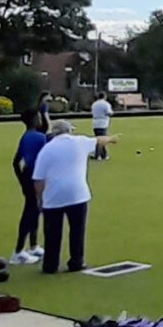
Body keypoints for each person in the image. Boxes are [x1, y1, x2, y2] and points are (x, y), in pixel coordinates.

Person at [33, 117, 117, 273]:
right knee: (77, 230)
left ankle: (50, 266)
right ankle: (77, 262)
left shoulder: (46, 150)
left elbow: (38, 179)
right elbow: (100, 140)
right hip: (78, 194)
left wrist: (40, 199)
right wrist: (111, 138)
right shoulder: (80, 141)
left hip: (54, 196)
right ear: (69, 130)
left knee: (52, 233)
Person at [10, 110, 49, 264]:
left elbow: (15, 162)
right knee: (31, 212)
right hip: (36, 176)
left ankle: (33, 246)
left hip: (28, 175)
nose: (41, 119)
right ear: (33, 120)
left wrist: (22, 181)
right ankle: (18, 251)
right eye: (38, 117)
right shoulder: (40, 137)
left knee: (35, 209)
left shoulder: (26, 136)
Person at [90, 92, 113, 161]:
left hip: (95, 123)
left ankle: (103, 155)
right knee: (102, 140)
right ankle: (99, 155)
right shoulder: (106, 104)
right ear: (104, 96)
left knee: (98, 139)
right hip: (103, 123)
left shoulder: (94, 104)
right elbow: (109, 113)